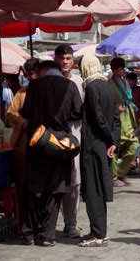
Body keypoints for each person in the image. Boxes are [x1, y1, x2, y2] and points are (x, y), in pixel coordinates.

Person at [20, 60, 82, 246]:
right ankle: (47, 235)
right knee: (55, 190)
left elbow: (26, 112)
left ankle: (29, 233)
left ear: (42, 70)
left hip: (37, 143)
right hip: (59, 145)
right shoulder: (70, 86)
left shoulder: (34, 86)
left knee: (33, 189)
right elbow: (78, 112)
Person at [78, 54, 120, 247]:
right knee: (99, 190)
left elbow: (98, 118)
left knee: (94, 190)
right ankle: (98, 231)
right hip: (104, 146)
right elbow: (115, 120)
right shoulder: (108, 87)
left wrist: (109, 139)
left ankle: (98, 234)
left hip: (94, 145)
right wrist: (113, 142)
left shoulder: (93, 87)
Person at [54, 44, 85, 238]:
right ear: (56, 59)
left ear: (73, 61)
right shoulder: (49, 81)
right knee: (54, 179)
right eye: (62, 58)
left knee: (74, 181)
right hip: (53, 138)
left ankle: (70, 221)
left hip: (74, 136)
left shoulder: (80, 82)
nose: (65, 62)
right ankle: (49, 222)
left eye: (68, 58)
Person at [7, 58, 40, 226]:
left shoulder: (45, 91)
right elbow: (11, 114)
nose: (31, 77)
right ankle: (21, 219)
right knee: (21, 185)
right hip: (22, 147)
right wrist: (23, 123)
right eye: (28, 74)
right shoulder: (21, 93)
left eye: (33, 73)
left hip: (43, 146)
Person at [108, 57, 138, 187]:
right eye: (120, 69)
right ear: (114, 70)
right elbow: (107, 101)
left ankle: (121, 172)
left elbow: (129, 98)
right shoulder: (109, 84)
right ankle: (114, 176)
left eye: (123, 68)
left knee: (134, 146)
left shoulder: (125, 82)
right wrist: (115, 107)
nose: (122, 71)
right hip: (117, 120)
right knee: (115, 148)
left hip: (128, 119)